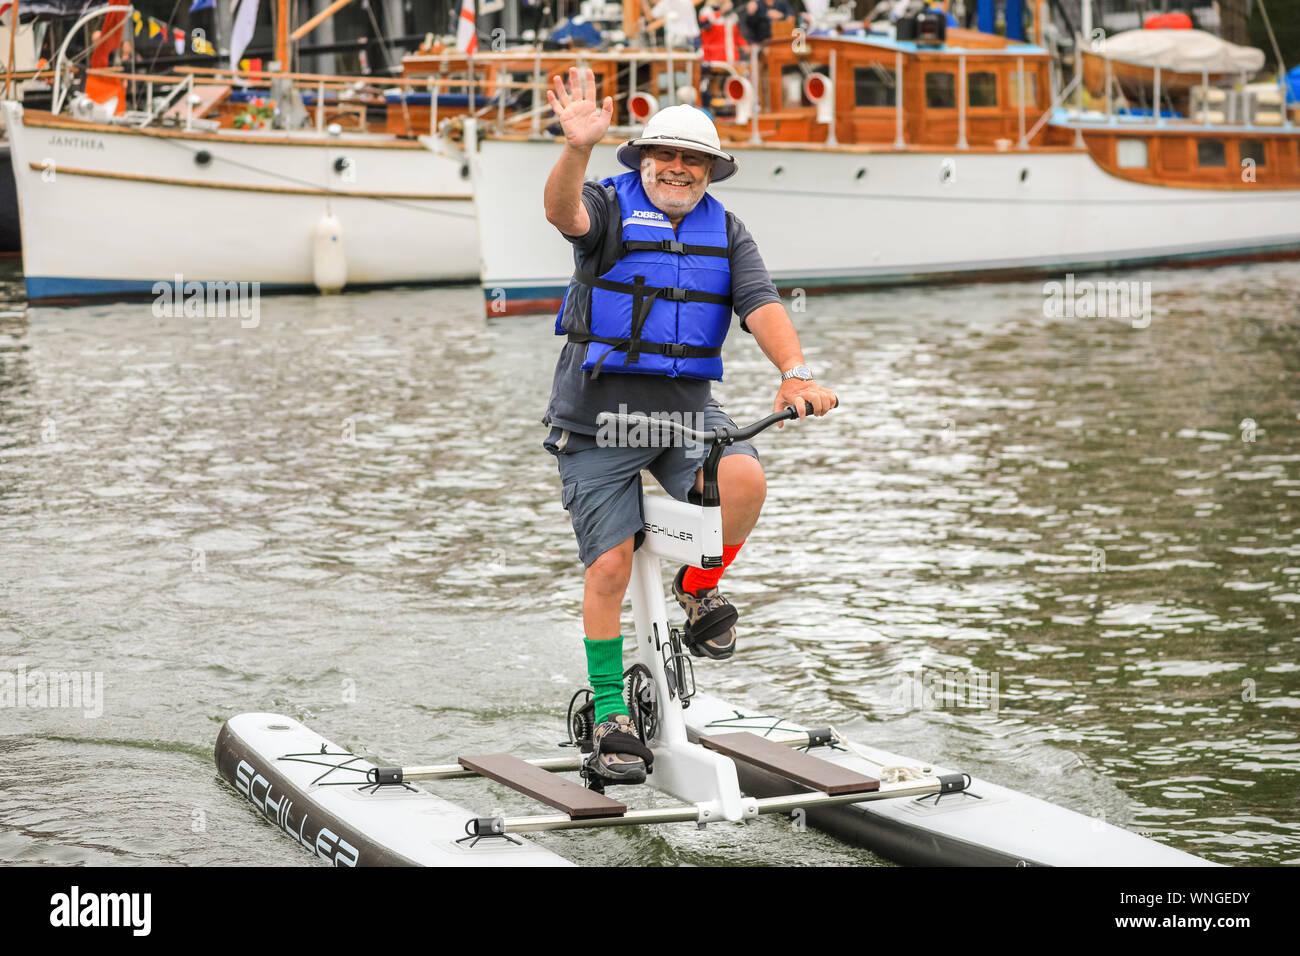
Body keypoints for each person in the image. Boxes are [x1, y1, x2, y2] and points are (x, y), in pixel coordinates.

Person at [542, 68, 836, 784]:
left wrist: (794, 370)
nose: (677, 169)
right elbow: (562, 215)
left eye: (692, 160)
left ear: (709, 171)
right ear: (643, 160)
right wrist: (576, 148)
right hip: (597, 421)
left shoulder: (727, 230)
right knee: (610, 564)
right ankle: (611, 710)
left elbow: (760, 303)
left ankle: (698, 586)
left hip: (683, 416)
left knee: (742, 476)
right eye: (664, 156)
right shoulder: (607, 208)